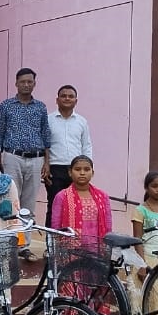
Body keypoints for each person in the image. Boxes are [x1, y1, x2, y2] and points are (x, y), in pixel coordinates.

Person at [0, 68, 50, 241]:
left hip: (36, 159)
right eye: (22, 81)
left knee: (29, 204)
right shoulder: (6, 106)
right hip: (13, 157)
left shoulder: (40, 107)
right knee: (11, 200)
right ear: (16, 83)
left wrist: (46, 162)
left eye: (30, 82)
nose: (26, 85)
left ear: (34, 84)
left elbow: (45, 134)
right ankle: (10, 241)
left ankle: (24, 244)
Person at [45, 85, 93, 228]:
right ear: (57, 100)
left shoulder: (81, 121)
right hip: (55, 168)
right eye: (63, 96)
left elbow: (86, 145)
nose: (67, 98)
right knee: (55, 205)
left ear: (76, 101)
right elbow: (44, 146)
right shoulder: (48, 120)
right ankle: (51, 243)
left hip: (77, 170)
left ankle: (74, 241)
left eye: (70, 96)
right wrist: (45, 166)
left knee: (77, 204)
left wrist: (87, 167)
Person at [48, 156, 112, 244]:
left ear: (92, 173)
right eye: (77, 169)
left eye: (86, 169)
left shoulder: (103, 196)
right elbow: (56, 227)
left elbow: (108, 226)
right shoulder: (62, 196)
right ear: (70, 172)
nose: (82, 173)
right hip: (70, 251)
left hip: (97, 248)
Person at [132, 171, 158, 277]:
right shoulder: (141, 211)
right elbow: (137, 239)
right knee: (149, 292)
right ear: (146, 188)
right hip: (148, 258)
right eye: (155, 186)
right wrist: (142, 265)